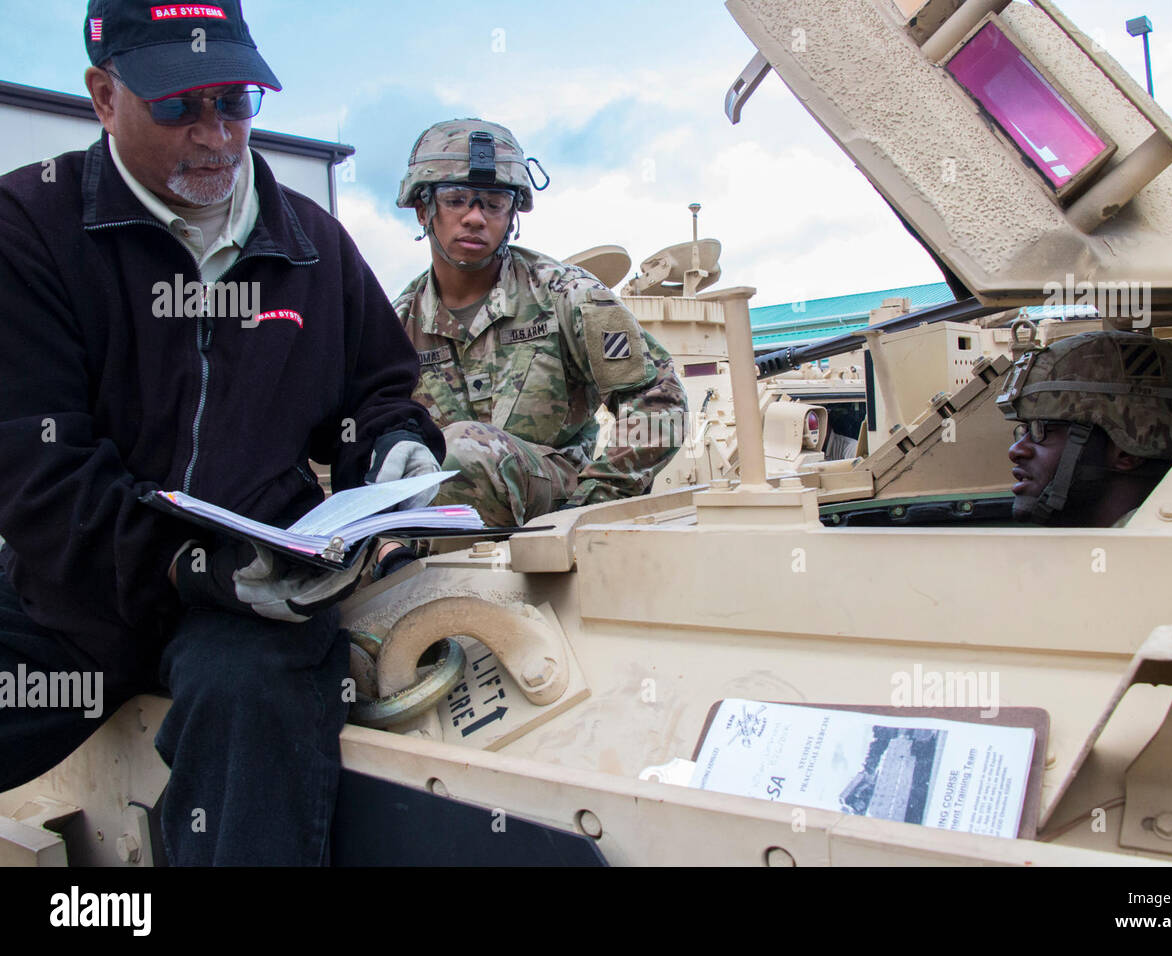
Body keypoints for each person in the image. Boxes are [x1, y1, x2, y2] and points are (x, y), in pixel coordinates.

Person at [0, 0, 443, 865]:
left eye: (236, 101)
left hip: (254, 608)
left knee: (258, 705)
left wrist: (393, 450)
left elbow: (376, 395)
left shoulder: (313, 245)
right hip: (71, 594)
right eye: (177, 107)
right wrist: (186, 563)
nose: (216, 136)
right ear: (103, 96)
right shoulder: (28, 231)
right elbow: (34, 463)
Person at [376, 119, 687, 575]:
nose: (475, 217)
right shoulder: (398, 321)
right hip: (440, 526)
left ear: (512, 215)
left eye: (495, 203)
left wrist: (592, 506)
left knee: (461, 449)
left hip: (554, 501)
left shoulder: (566, 295)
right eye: (456, 200)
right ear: (423, 210)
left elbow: (659, 402)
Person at [998, 330, 1172, 527]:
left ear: (1127, 451)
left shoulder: (1151, 558)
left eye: (1041, 431)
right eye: (1024, 431)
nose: (1016, 450)